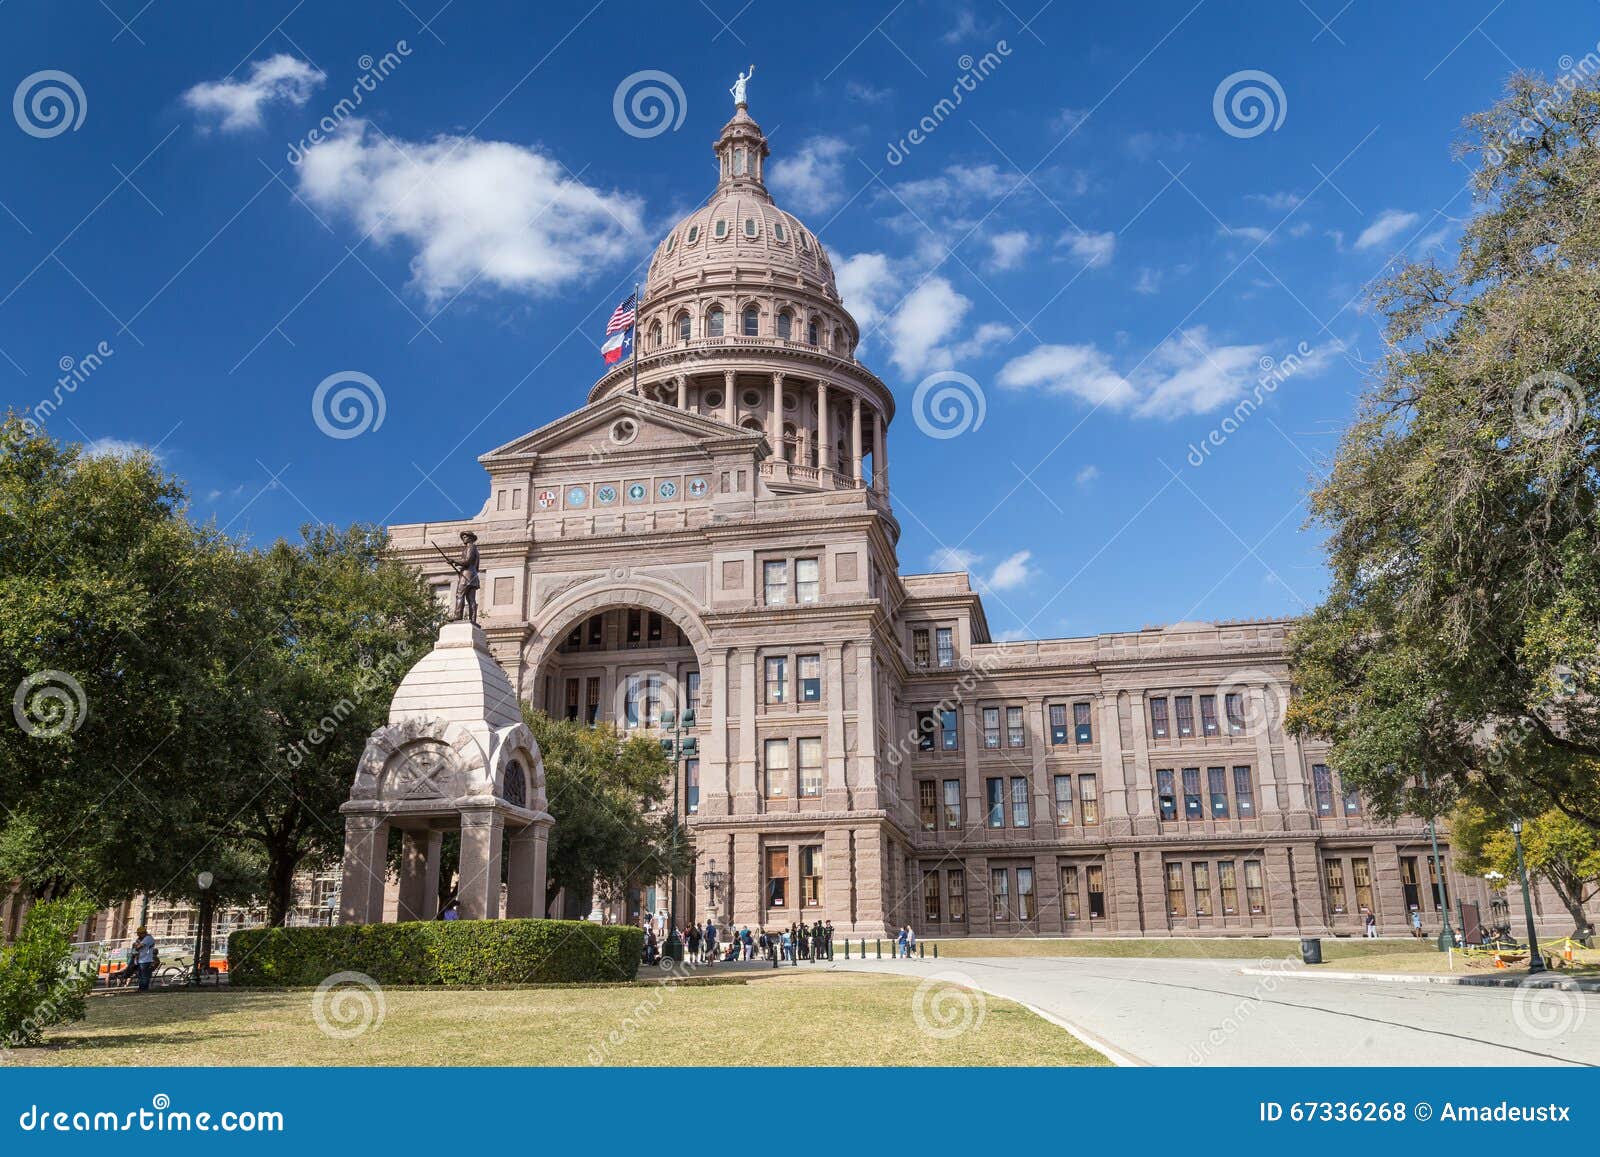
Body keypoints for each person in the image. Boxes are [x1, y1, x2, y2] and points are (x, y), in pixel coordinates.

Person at [132, 926, 157, 992]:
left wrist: (137, 944)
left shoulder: (148, 938)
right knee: (141, 976)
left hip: (146, 960)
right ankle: (141, 989)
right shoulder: (143, 939)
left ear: (143, 933)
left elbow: (138, 947)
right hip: (141, 960)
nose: (138, 935)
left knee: (144, 976)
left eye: (139, 934)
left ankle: (144, 989)